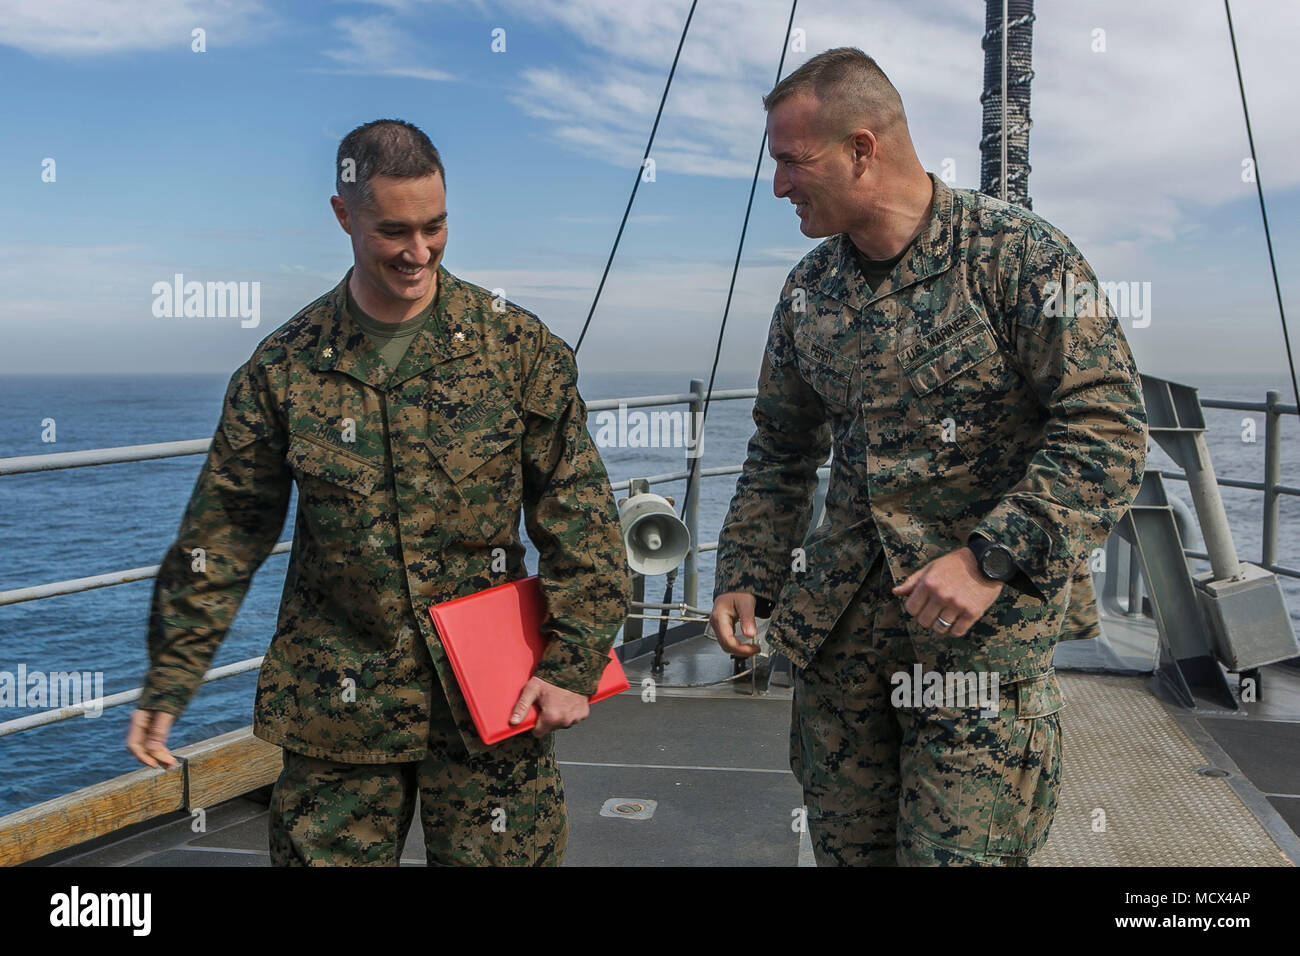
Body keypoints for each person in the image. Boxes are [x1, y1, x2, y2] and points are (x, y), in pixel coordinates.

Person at [126, 119, 630, 866]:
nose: (418, 252)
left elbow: (579, 518)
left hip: (492, 706)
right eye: (394, 230)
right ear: (343, 215)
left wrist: (571, 662)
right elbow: (224, 536)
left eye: (435, 226)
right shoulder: (284, 370)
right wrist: (170, 677)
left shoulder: (518, 350)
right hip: (338, 713)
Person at [709, 49, 1147, 866]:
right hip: (842, 645)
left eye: (791, 162)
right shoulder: (810, 290)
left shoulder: (1021, 259)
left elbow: (1108, 426)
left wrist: (990, 556)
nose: (778, 187)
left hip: (978, 651)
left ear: (862, 149)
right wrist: (746, 570)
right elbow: (780, 447)